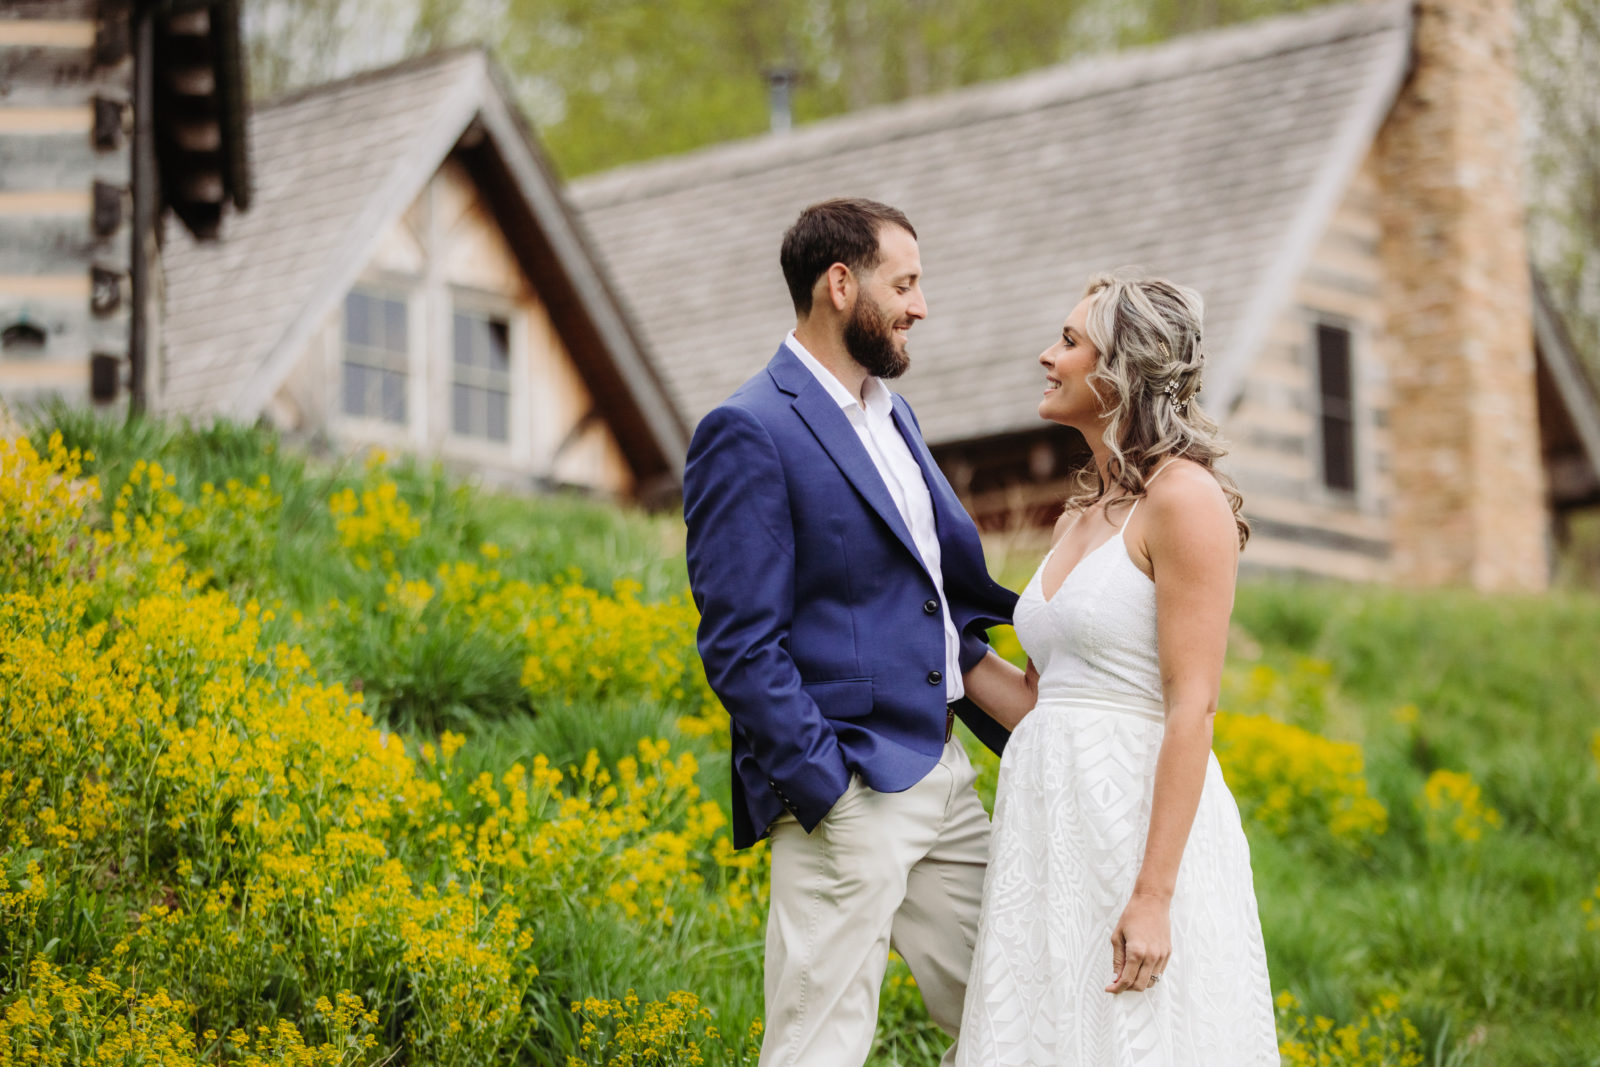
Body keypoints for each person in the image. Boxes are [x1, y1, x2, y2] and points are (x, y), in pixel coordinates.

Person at [683, 197, 1018, 1067]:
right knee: (816, 1049)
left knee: (1020, 1011)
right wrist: (827, 792)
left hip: (945, 775)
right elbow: (739, 643)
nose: (921, 305)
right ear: (841, 284)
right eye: (904, 283)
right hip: (849, 784)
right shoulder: (748, 428)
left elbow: (931, 596)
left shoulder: (892, 415)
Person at [955, 273, 1279, 1065]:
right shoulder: (1078, 513)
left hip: (1137, 829)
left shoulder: (1184, 501)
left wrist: (1155, 893)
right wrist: (933, 648)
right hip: (1047, 828)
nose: (1046, 355)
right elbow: (1041, 700)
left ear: (1121, 369)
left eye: (1068, 342)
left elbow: (1193, 706)